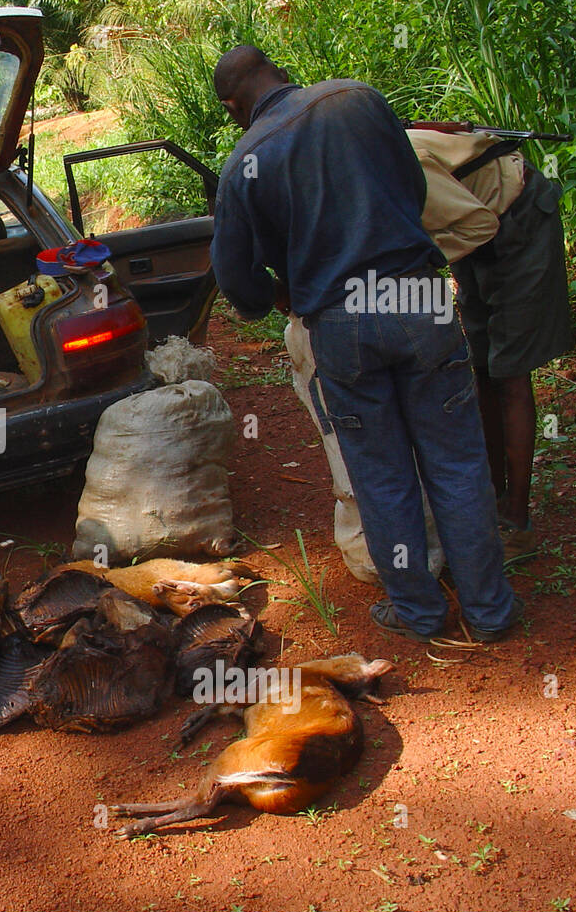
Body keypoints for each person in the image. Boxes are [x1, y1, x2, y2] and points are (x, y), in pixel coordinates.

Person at [208, 46, 522, 643]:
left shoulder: (244, 161)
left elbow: (236, 282)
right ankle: (489, 611)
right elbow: (413, 188)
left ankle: (419, 612)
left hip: (339, 321)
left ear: (232, 105)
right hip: (417, 300)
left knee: (381, 475)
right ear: (279, 70)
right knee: (457, 463)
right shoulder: (358, 99)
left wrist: (279, 291)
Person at [406, 127, 572, 558]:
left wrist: (412, 263)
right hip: (471, 225)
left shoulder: (404, 162)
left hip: (513, 216)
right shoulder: (363, 161)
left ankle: (517, 521)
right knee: (481, 365)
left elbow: (477, 225)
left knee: (509, 372)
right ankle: (492, 497)